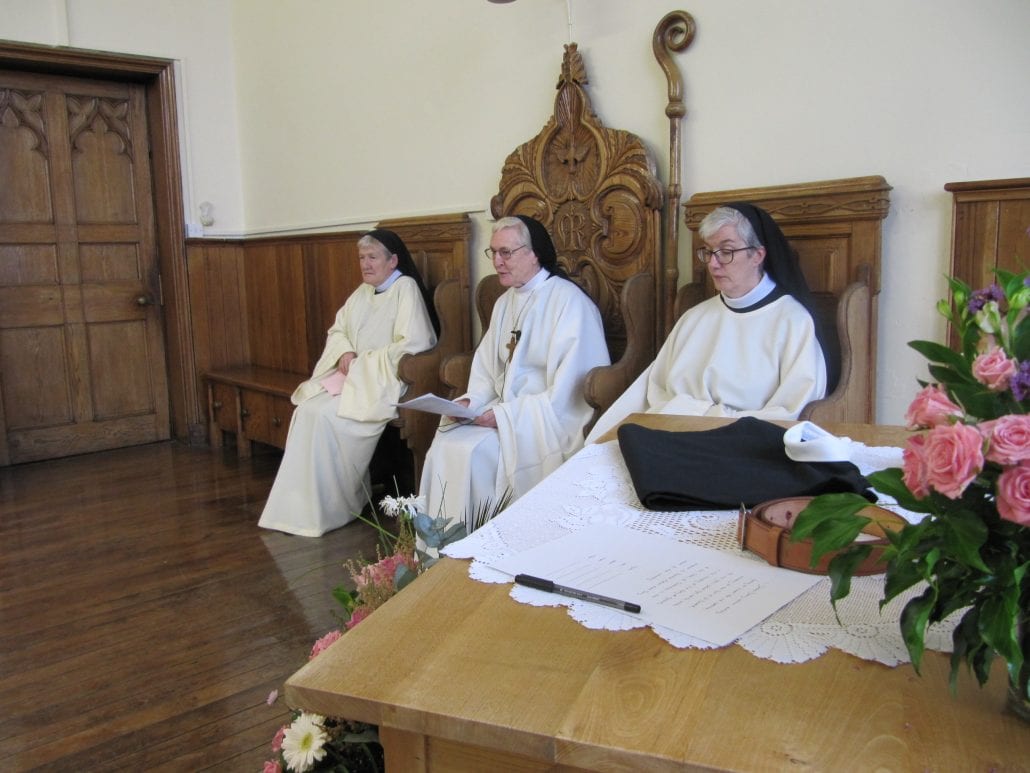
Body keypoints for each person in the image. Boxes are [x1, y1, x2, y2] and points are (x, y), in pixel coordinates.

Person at [419, 215, 610, 529]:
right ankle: (440, 550)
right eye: (493, 252)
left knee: (473, 453)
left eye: (506, 252)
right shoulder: (504, 303)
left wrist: (506, 418)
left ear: (534, 253)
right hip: (502, 414)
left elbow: (569, 397)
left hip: (538, 424)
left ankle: (479, 542)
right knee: (444, 443)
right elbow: (485, 371)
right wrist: (469, 403)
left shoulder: (569, 303)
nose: (497, 261)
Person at [586, 202, 829, 443]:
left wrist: (705, 417)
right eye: (709, 252)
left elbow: (791, 414)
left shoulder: (793, 322)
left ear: (757, 255)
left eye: (726, 251)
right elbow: (656, 391)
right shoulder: (695, 317)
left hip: (746, 445)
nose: (713, 263)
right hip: (675, 436)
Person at [258, 229, 437, 537]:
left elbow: (414, 344)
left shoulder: (404, 288)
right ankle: (299, 507)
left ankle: (339, 504)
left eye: (372, 258)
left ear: (393, 261)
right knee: (308, 410)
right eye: (361, 258)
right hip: (356, 378)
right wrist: (345, 351)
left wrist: (362, 364)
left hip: (383, 382)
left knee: (328, 418)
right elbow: (338, 330)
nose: (365, 264)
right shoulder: (363, 292)